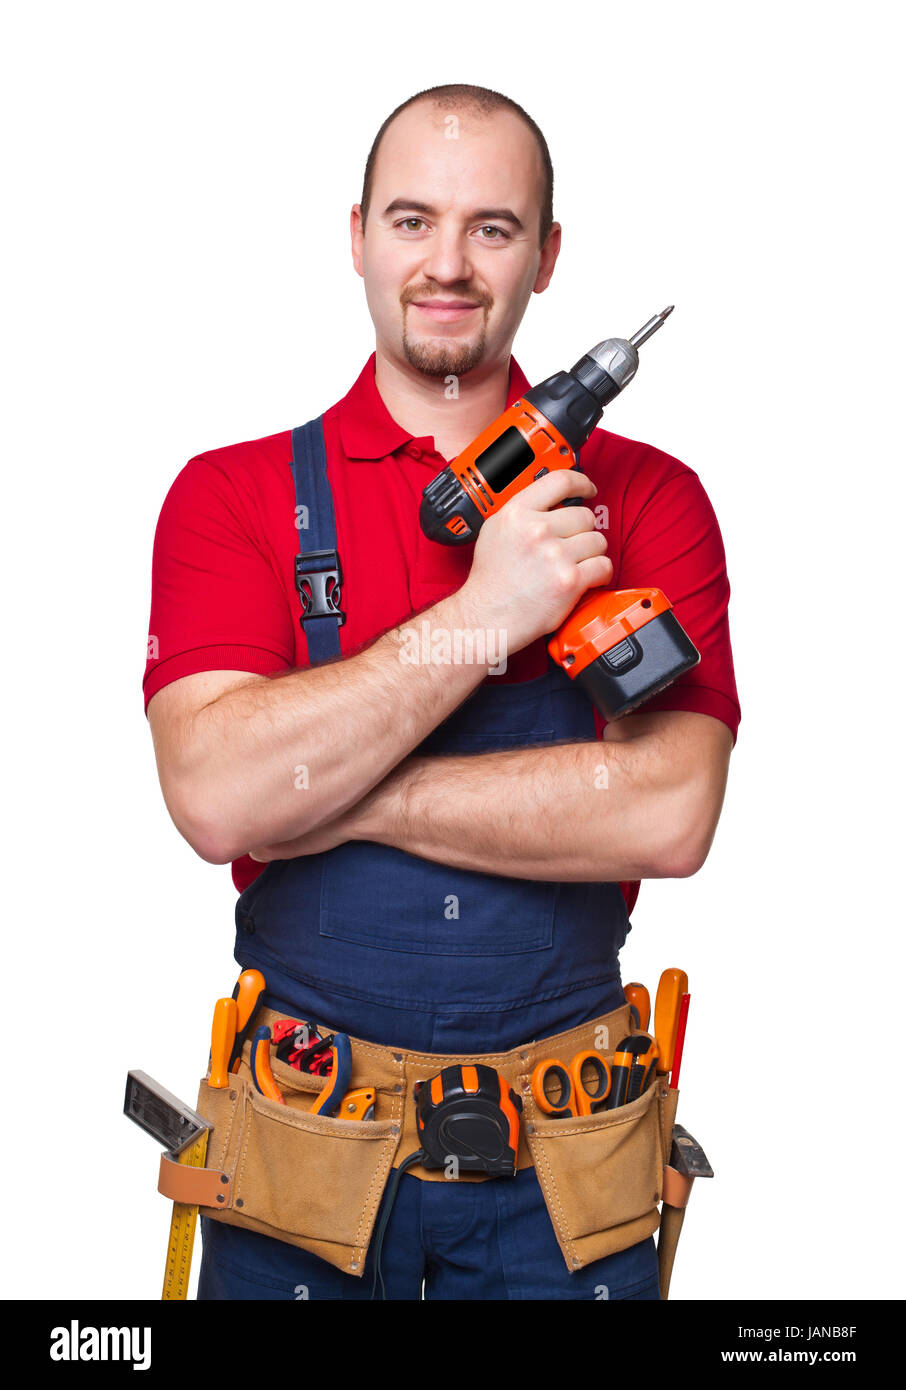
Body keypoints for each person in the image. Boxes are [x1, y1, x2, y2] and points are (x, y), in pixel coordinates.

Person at [144, 83, 740, 1300]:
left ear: (548, 255)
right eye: (412, 222)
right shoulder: (233, 496)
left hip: (570, 1165)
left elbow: (669, 813)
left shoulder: (652, 498)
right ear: (357, 235)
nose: (449, 265)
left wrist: (337, 793)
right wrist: (482, 617)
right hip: (304, 1152)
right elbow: (215, 796)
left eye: (494, 227)